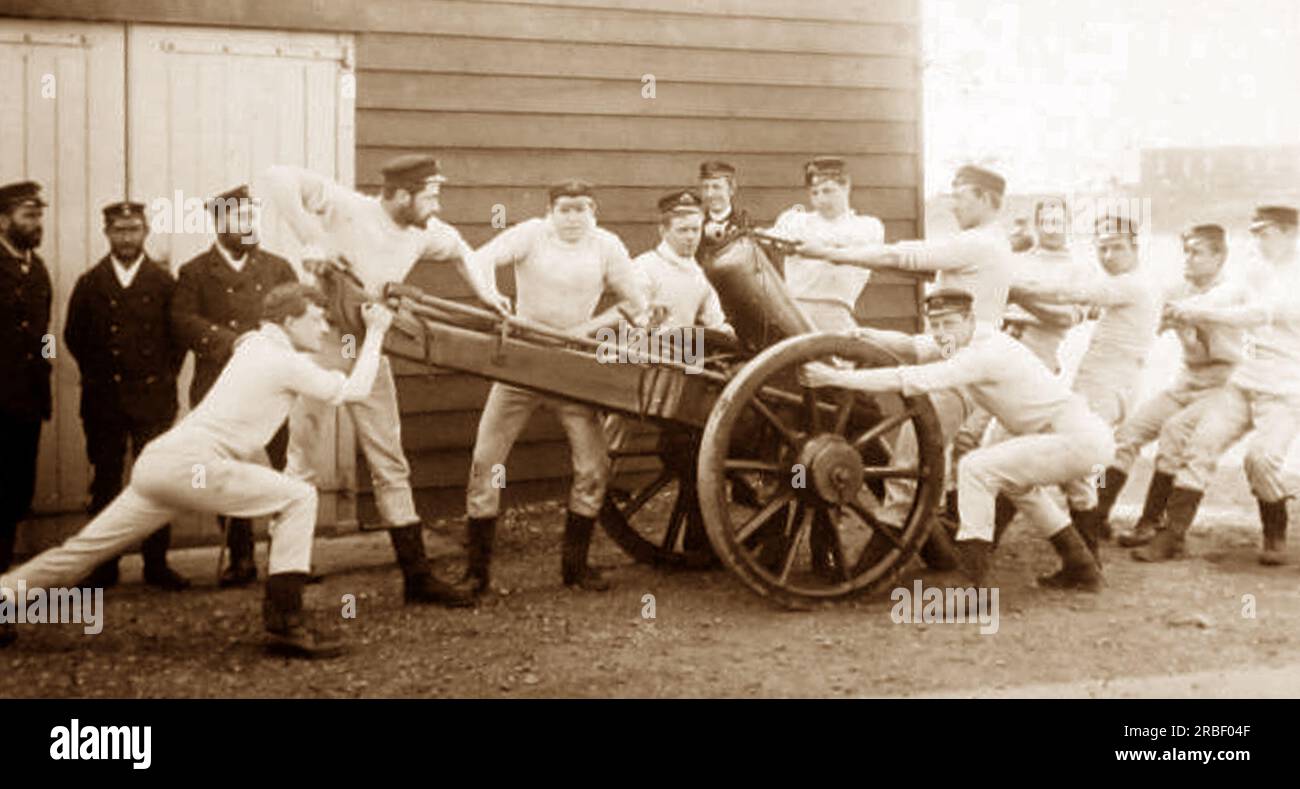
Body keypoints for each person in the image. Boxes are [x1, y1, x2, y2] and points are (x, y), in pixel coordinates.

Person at [1, 284, 396, 657]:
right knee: (301, 495)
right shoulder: (281, 360)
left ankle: (4, 598)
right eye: (317, 319)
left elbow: (260, 360)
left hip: (158, 465)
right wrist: (376, 331)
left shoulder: (255, 344)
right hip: (191, 467)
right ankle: (285, 619)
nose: (325, 328)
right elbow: (355, 390)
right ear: (289, 323)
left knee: (81, 552)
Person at [260, 154, 506, 606]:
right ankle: (285, 586)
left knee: (390, 460)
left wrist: (489, 295)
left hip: (371, 346)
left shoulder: (424, 231)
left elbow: (462, 252)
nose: (435, 203)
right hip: (320, 343)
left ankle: (417, 579)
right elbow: (277, 176)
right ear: (400, 194)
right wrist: (312, 236)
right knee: (302, 460)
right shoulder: (347, 207)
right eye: (429, 194)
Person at [803, 288, 1112, 592]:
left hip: (1074, 437)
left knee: (975, 468)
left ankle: (971, 583)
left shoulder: (984, 354)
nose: (940, 333)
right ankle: (1081, 567)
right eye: (935, 324)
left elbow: (911, 379)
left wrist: (835, 378)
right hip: (1068, 435)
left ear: (969, 319)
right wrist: (866, 333)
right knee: (1019, 487)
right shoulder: (972, 338)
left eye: (948, 323)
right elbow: (912, 345)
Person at [460, 179, 649, 595]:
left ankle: (575, 567)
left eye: (581, 208)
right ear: (550, 211)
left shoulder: (606, 245)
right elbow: (478, 258)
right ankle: (476, 574)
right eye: (564, 209)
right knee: (486, 459)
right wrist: (493, 298)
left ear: (593, 211)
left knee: (592, 465)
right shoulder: (530, 234)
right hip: (522, 362)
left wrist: (586, 329)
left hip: (571, 365)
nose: (572, 218)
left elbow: (636, 304)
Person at [1134, 205, 1300, 566]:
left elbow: (1258, 314)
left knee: (1261, 460)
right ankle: (1172, 536)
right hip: (1245, 382)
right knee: (1197, 442)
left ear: (1290, 233)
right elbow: (1226, 295)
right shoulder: (1257, 269)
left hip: (1285, 390)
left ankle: (1274, 530)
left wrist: (1198, 313)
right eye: (1254, 232)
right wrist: (1184, 306)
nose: (1257, 239)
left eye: (1265, 232)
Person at [1012, 209, 1162, 554]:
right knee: (1089, 456)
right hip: (1114, 378)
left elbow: (1067, 293)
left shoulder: (1131, 283)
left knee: (1076, 459)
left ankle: (1085, 552)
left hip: (1106, 381)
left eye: (1117, 248)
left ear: (1136, 248)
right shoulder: (1141, 283)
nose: (1108, 256)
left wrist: (1012, 286)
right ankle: (1089, 537)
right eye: (1102, 248)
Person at [172, 185, 299, 587]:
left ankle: (289, 558)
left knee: (283, 464)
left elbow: (300, 311)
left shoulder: (277, 268)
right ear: (219, 223)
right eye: (236, 220)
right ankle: (241, 558)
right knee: (228, 469)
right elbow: (182, 321)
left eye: (249, 218)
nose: (246, 227)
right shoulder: (194, 272)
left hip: (271, 382)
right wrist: (231, 341)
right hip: (220, 383)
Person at [1089, 224, 1242, 547]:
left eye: (1197, 252)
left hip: (1221, 383)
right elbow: (1148, 322)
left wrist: (1193, 327)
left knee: (1174, 434)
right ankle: (1097, 513)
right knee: (1127, 434)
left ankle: (1150, 521)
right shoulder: (1178, 289)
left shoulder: (1233, 292)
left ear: (1220, 256)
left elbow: (1232, 352)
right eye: (1186, 251)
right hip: (1186, 380)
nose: (1188, 258)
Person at [64, 201, 189, 590]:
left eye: (133, 229)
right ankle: (104, 566)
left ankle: (157, 563)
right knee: (105, 481)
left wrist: (160, 378)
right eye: (119, 230)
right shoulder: (90, 282)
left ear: (145, 232)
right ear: (107, 234)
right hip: (105, 400)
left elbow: (177, 341)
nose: (127, 238)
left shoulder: (164, 283)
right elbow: (72, 338)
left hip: (152, 398)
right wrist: (102, 376)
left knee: (156, 479)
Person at [0, 181, 51, 579]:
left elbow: (45, 334)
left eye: (39, 215)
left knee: (15, 495)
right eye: (28, 215)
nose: (37, 223)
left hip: (26, 403)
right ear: (3, 221)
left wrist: (45, 368)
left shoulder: (37, 270)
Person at [772, 156, 886, 332]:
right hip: (793, 312)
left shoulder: (866, 226)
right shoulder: (796, 221)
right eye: (814, 193)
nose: (821, 199)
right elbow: (772, 237)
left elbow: (853, 243)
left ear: (846, 187)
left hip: (836, 314)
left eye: (828, 191)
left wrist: (812, 244)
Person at [695, 161, 752, 263]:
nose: (710, 194)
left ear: (731, 190)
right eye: (705, 187)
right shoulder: (694, 224)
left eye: (716, 187)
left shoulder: (744, 224)